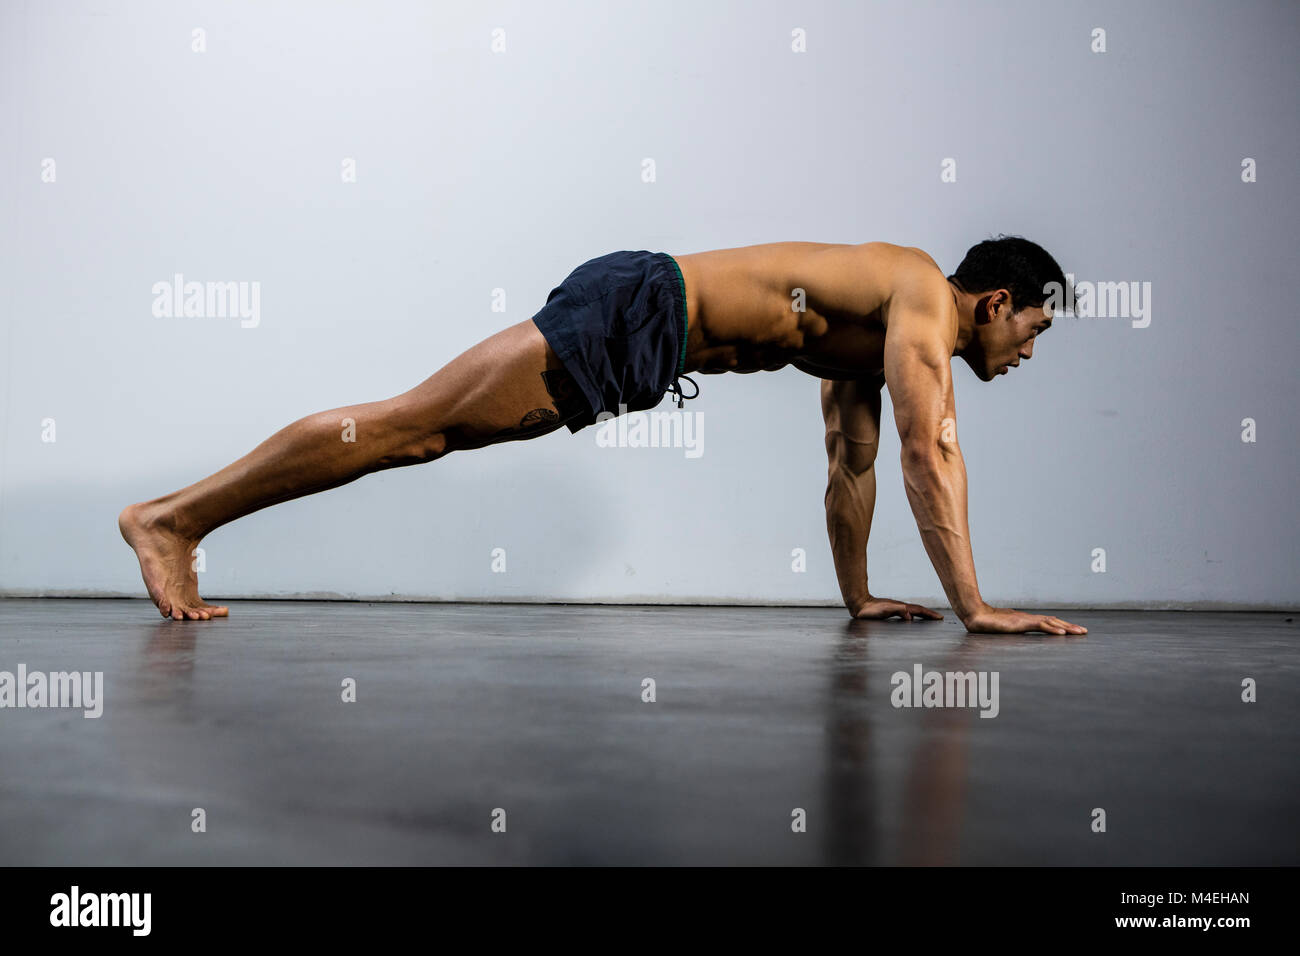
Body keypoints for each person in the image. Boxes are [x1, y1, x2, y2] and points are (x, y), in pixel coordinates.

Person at [119, 236, 1086, 636]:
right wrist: (978, 610)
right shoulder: (920, 290)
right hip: (641, 308)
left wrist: (861, 594)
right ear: (996, 301)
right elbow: (935, 450)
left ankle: (180, 523)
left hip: (643, 329)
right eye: (1034, 330)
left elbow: (856, 464)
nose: (1029, 353)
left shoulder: (873, 333)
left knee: (421, 431)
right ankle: (172, 520)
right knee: (416, 428)